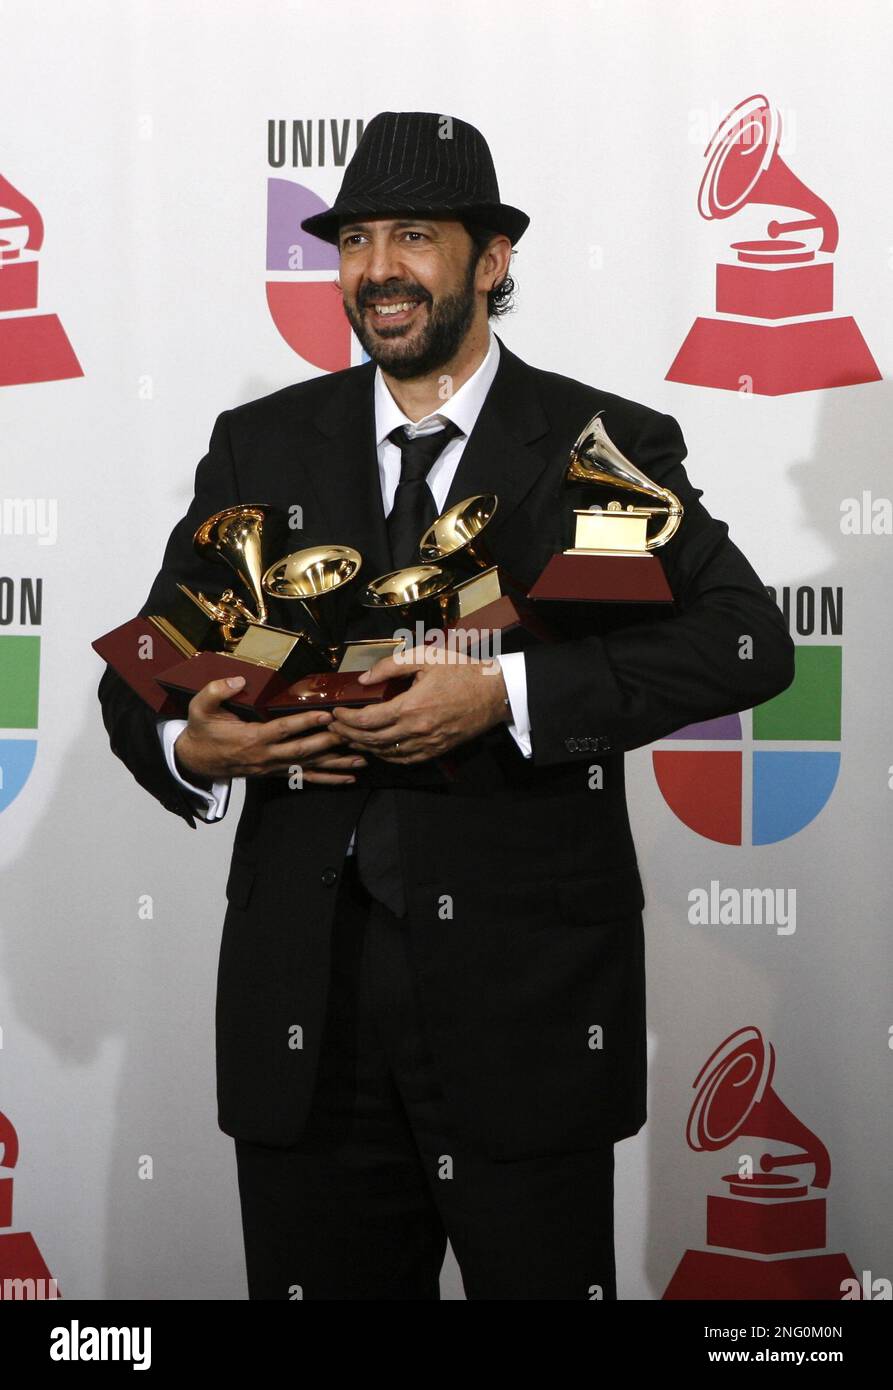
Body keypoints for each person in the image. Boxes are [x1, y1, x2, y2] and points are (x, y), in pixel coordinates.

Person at [97, 110, 795, 1300]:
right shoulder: (263, 447)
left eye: (414, 235)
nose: (377, 270)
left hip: (525, 1016)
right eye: (355, 239)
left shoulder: (592, 445)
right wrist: (190, 743)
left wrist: (506, 694)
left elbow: (741, 642)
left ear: (492, 259)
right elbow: (145, 678)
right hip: (305, 1021)